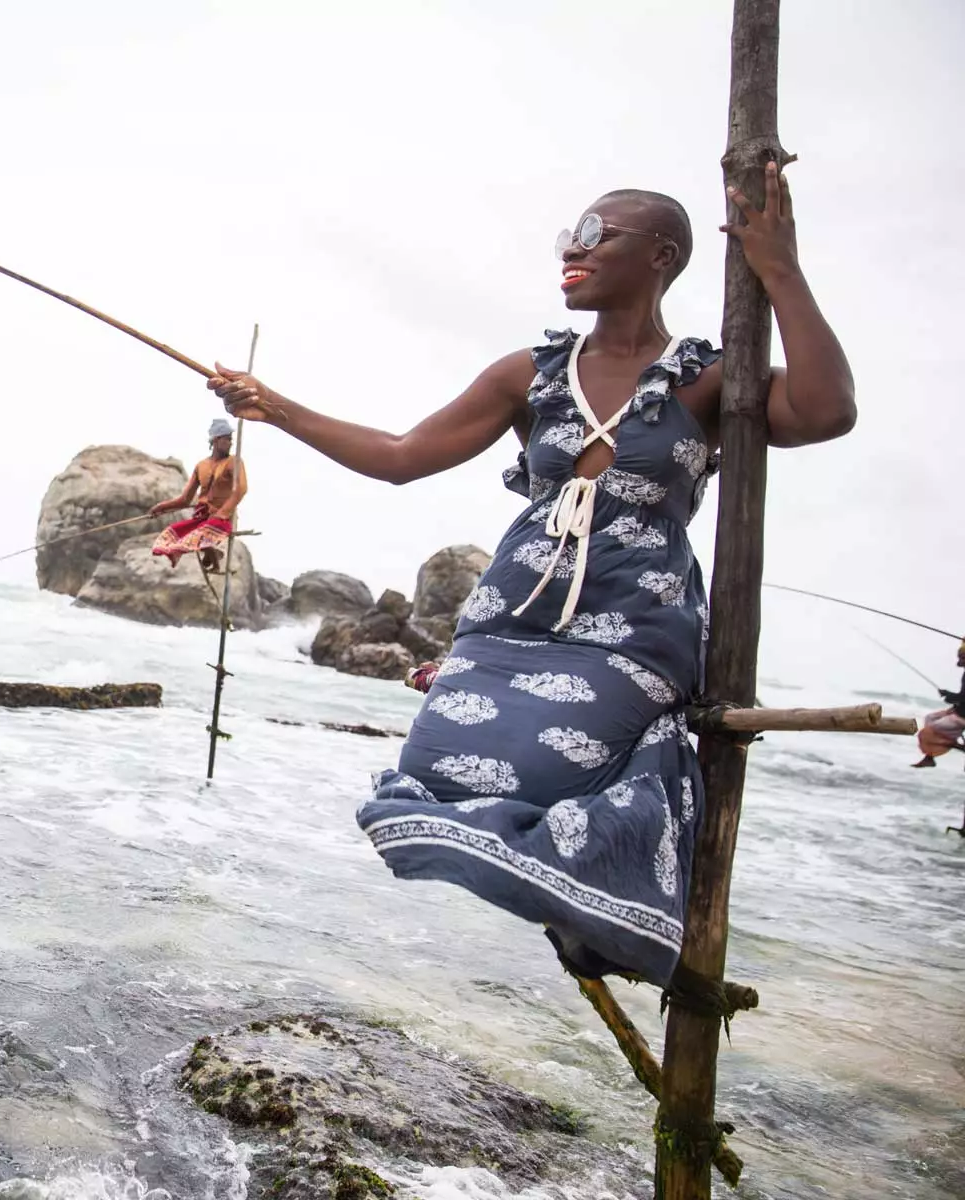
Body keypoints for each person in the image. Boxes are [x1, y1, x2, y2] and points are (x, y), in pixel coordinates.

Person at [207, 165, 856, 987]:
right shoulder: (531, 372)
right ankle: (582, 914)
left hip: (634, 622)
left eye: (595, 236)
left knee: (557, 768)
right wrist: (276, 407)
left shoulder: (710, 376)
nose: (571, 251)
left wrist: (781, 270)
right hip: (514, 614)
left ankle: (603, 918)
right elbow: (402, 458)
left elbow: (827, 412)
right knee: (436, 769)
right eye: (567, 238)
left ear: (660, 256)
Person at [150, 418, 249, 573]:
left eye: (231, 440)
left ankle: (210, 556)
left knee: (198, 535)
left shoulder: (233, 462)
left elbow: (241, 489)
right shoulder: (201, 466)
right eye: (227, 439)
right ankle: (212, 553)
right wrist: (162, 507)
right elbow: (185, 500)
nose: (231, 443)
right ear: (216, 440)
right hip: (201, 517)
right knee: (168, 536)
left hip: (222, 520)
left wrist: (222, 514)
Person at [913, 639, 965, 767]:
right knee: (929, 718)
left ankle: (954, 744)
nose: (960, 660)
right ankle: (929, 757)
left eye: (963, 657)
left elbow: (963, 697)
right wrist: (948, 695)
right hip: (958, 711)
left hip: (961, 717)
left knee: (928, 731)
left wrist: (949, 697)